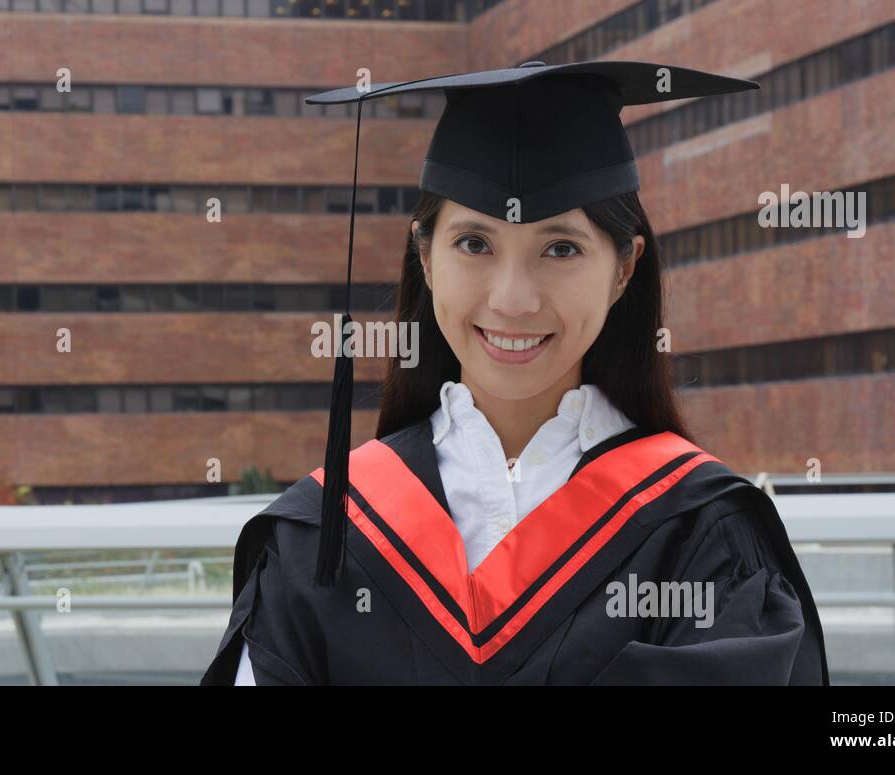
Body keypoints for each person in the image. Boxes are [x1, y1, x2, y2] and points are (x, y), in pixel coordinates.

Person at [200, 59, 829, 685]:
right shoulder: (324, 534)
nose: (513, 299)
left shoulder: (701, 536)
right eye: (475, 243)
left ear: (624, 267)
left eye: (561, 248)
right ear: (425, 255)